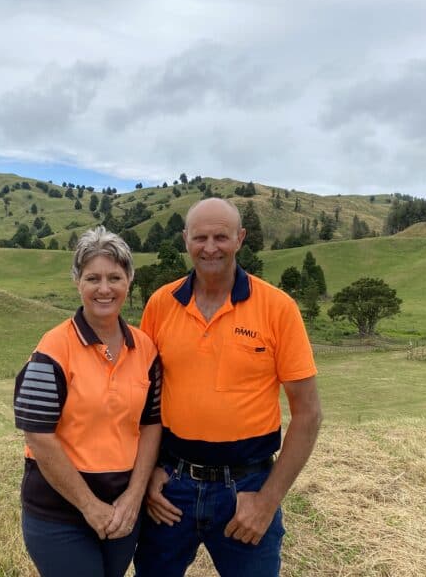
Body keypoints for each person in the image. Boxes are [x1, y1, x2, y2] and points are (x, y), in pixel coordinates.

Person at [134, 198, 322, 577]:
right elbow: (142, 397)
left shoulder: (278, 307)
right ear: (186, 239)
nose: (210, 247)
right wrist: (149, 472)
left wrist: (268, 502)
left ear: (240, 238)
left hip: (247, 489)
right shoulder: (160, 304)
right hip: (172, 487)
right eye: (200, 237)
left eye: (221, 236)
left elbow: (308, 414)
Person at [14, 226, 163, 577]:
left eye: (114, 277)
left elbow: (151, 423)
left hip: (122, 511)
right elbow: (38, 436)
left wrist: (134, 496)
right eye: (92, 278)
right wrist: (89, 506)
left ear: (129, 279)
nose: (104, 288)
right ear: (77, 282)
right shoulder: (51, 350)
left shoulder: (145, 349)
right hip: (59, 514)